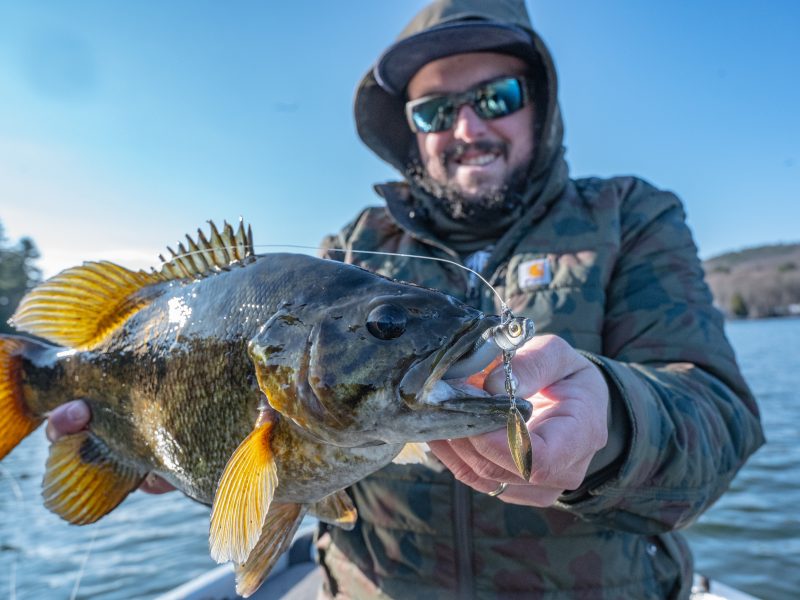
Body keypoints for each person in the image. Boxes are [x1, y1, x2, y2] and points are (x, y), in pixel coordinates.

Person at [48, 0, 765, 597]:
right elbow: (267, 468)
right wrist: (166, 444)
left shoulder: (630, 218)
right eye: (434, 111)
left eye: (496, 98)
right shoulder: (350, 249)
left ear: (540, 106)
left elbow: (720, 418)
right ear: (410, 133)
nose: (467, 128)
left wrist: (612, 423)